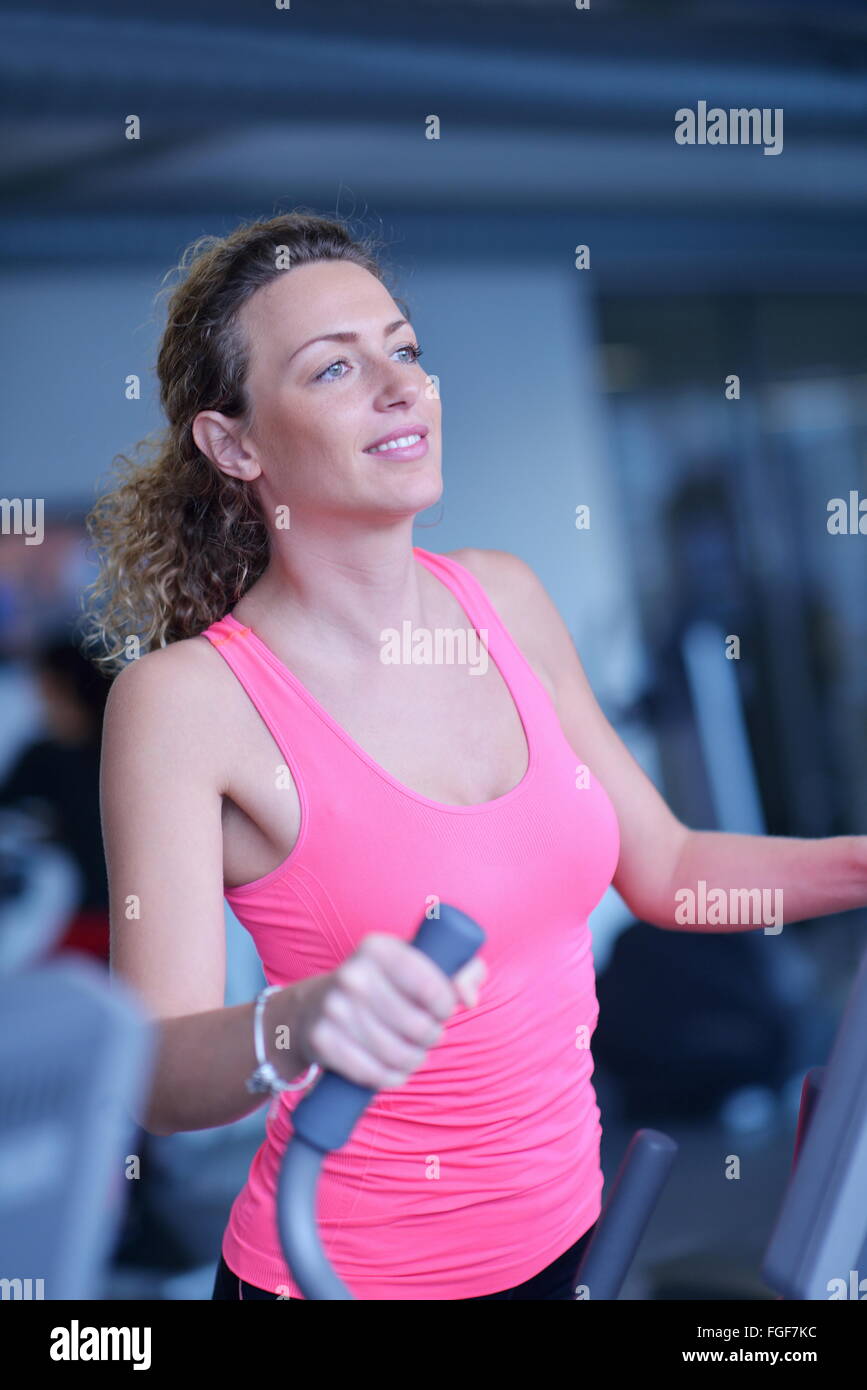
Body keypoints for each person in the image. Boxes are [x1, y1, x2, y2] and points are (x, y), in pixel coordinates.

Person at [83, 210, 867, 1301]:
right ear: (236, 445)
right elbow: (157, 1075)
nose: (402, 386)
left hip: (577, 1237)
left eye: (404, 349)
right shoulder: (185, 704)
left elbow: (672, 870)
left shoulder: (502, 596)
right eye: (335, 368)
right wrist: (305, 1016)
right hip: (340, 1276)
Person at [0, 633, 111, 964]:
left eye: (45, 688)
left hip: (96, 919)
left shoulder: (112, 753)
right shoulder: (40, 755)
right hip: (60, 918)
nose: (38, 698)